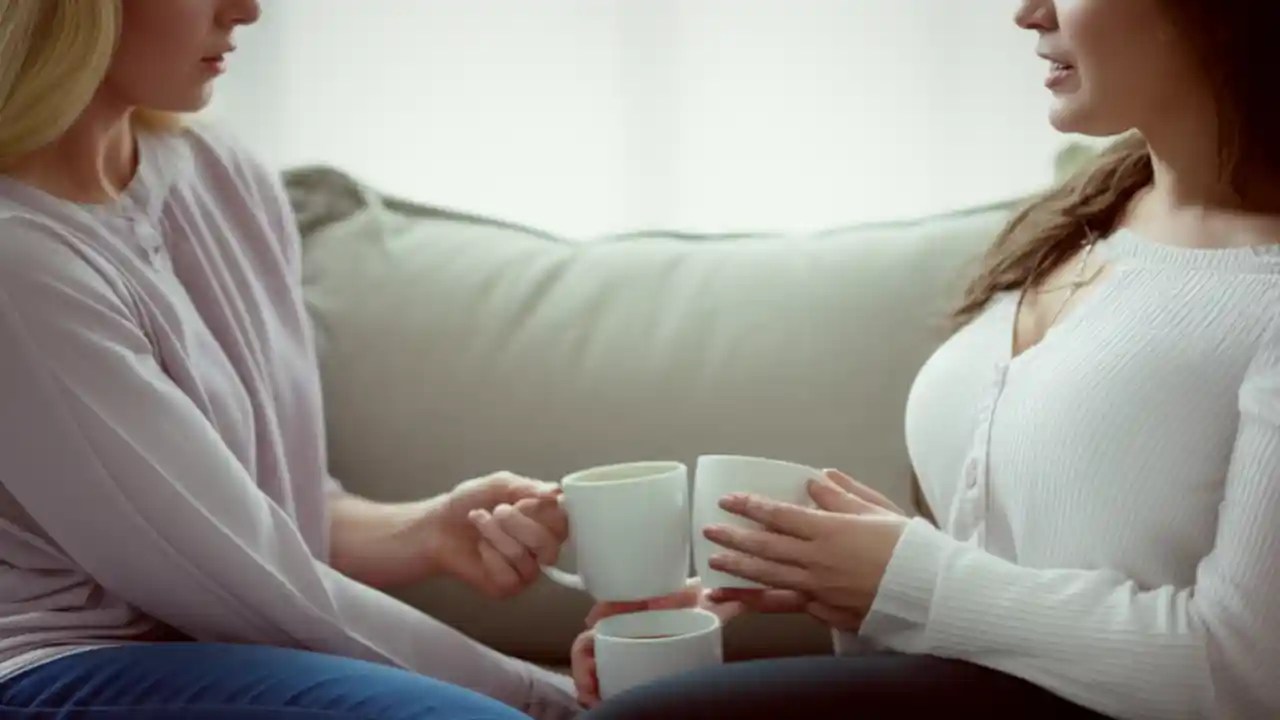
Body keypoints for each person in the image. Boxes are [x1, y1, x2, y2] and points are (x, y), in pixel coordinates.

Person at [492, 0, 1280, 718]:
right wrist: (836, 577)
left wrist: (904, 578)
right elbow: (999, 571)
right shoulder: (1088, 217)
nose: (1027, 12)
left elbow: (1246, 677)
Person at [0, 1, 579, 718]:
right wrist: (557, 700)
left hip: (227, 644)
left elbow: (264, 511)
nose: (247, 9)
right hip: (59, 665)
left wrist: (424, 532)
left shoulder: (222, 173)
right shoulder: (18, 262)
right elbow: (239, 580)